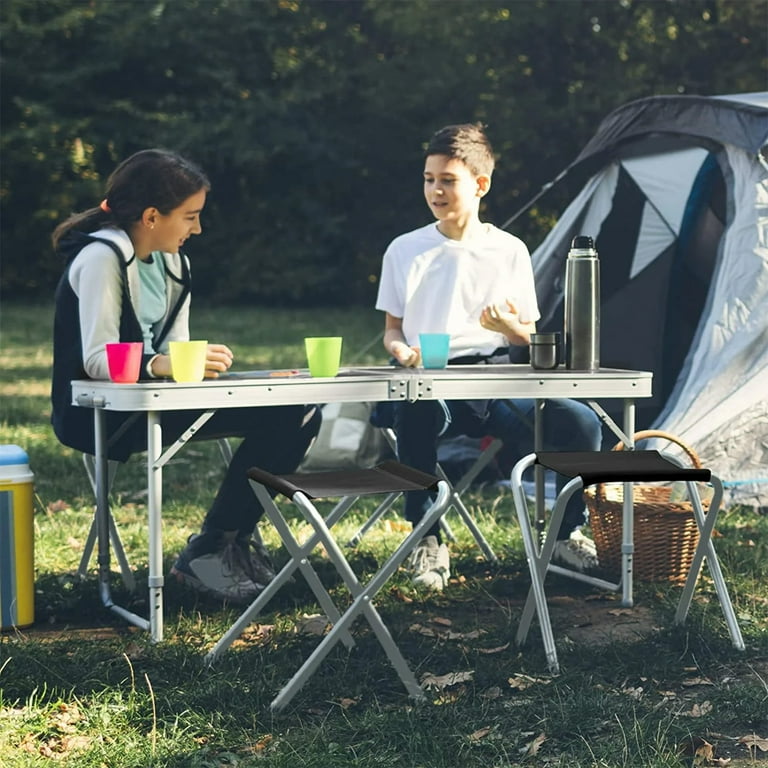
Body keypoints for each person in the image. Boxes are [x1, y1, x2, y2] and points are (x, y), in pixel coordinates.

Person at [51, 148, 321, 604]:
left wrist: (196, 367)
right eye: (190, 217)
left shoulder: (175, 265)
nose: (197, 229)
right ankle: (211, 552)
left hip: (159, 401)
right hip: (100, 412)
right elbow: (97, 359)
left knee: (298, 410)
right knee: (289, 413)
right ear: (152, 217)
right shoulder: (101, 258)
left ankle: (221, 543)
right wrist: (161, 364)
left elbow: (176, 350)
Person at [374, 123, 601, 592]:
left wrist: (507, 328)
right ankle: (427, 537)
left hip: (497, 379)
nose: (435, 190)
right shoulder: (404, 250)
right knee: (415, 413)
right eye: (428, 179)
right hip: (428, 379)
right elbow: (393, 329)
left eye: (447, 180)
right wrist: (400, 350)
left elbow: (528, 337)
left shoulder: (509, 250)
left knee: (580, 422)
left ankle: (565, 533)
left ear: (481, 184)